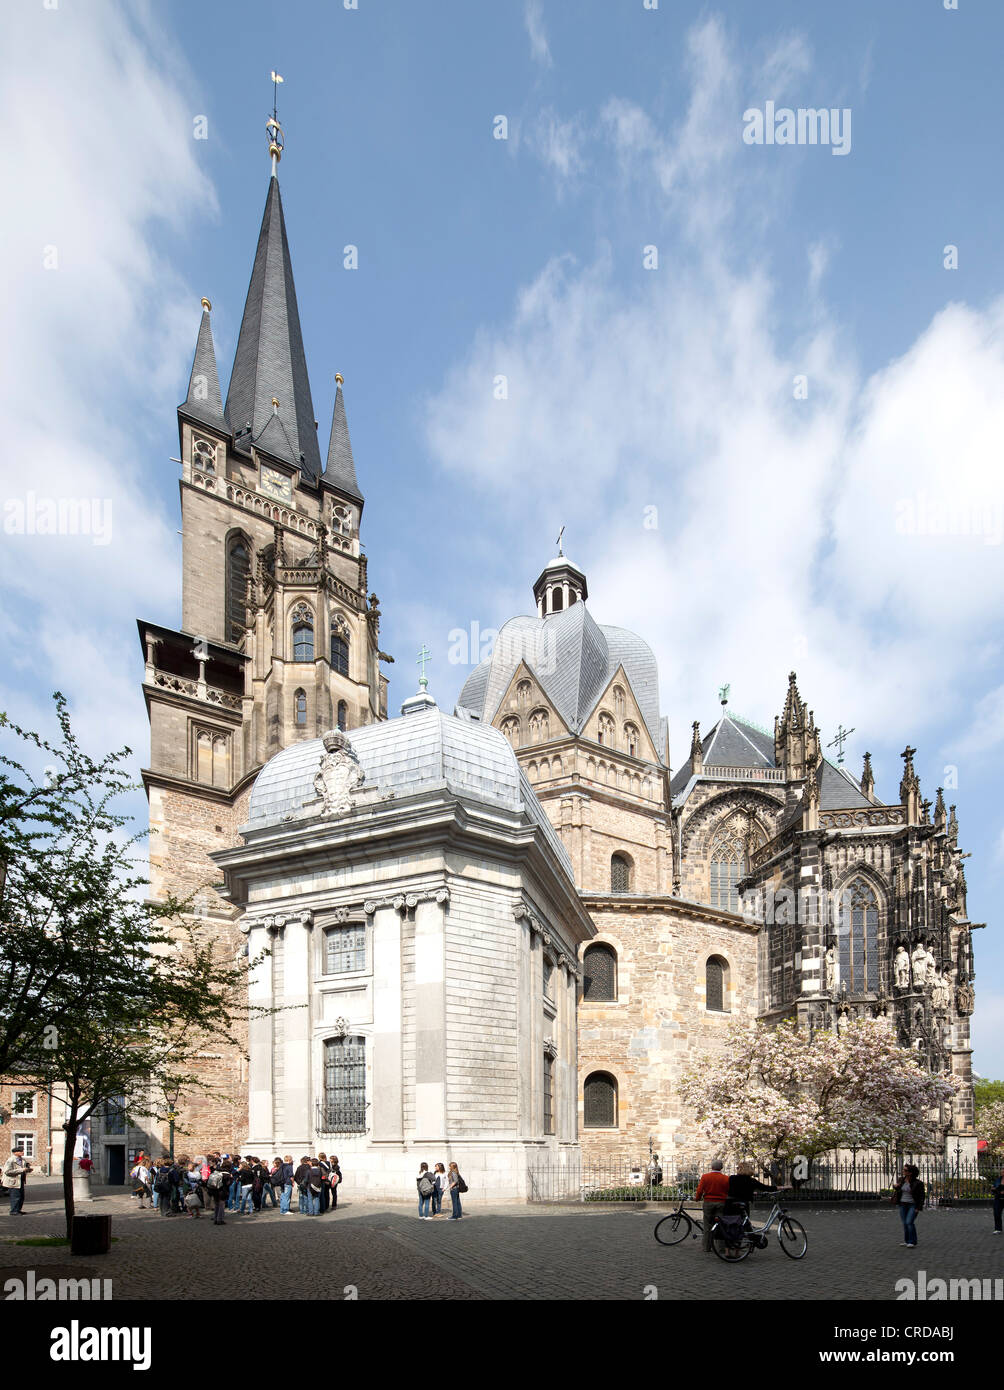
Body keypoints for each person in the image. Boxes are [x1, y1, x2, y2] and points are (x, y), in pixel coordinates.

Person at [694, 1160, 731, 1253]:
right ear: (721, 1168)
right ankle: (721, 1248)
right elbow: (729, 1191)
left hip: (708, 1202)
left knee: (707, 1225)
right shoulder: (726, 1178)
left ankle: (706, 1247)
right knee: (721, 1225)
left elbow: (700, 1190)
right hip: (721, 1203)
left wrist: (697, 1198)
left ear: (711, 1167)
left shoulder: (705, 1177)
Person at [892, 1163, 925, 1247]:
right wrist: (895, 1186)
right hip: (903, 1204)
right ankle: (907, 1241)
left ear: (910, 1172)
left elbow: (921, 1196)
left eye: (905, 1170)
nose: (903, 1171)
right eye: (903, 1170)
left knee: (909, 1222)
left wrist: (918, 1207)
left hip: (912, 1204)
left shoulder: (918, 1183)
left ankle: (912, 1241)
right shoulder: (901, 1180)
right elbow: (898, 1190)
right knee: (904, 1223)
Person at [3, 1147, 32, 1214]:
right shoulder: (10, 1160)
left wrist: (27, 1170)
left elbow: (23, 1169)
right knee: (15, 1197)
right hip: (13, 1181)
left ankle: (18, 1210)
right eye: (20, 1151)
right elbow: (7, 1171)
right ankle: (14, 1211)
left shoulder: (22, 1160)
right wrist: (21, 1170)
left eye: (22, 1151)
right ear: (15, 1153)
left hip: (20, 1180)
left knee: (21, 1197)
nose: (22, 1152)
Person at [207, 1161, 230, 1225]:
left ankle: (215, 1218)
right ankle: (220, 1220)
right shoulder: (226, 1174)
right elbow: (228, 1184)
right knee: (221, 1205)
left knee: (216, 1205)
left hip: (214, 1190)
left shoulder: (217, 1171)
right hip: (222, 1191)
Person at [992, 1168, 1004, 1234]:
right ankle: (998, 1229)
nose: (1002, 1173)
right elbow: (993, 1187)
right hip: (998, 1198)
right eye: (1001, 1172)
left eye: (1003, 1172)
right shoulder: (998, 1180)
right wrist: (994, 1189)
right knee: (996, 1213)